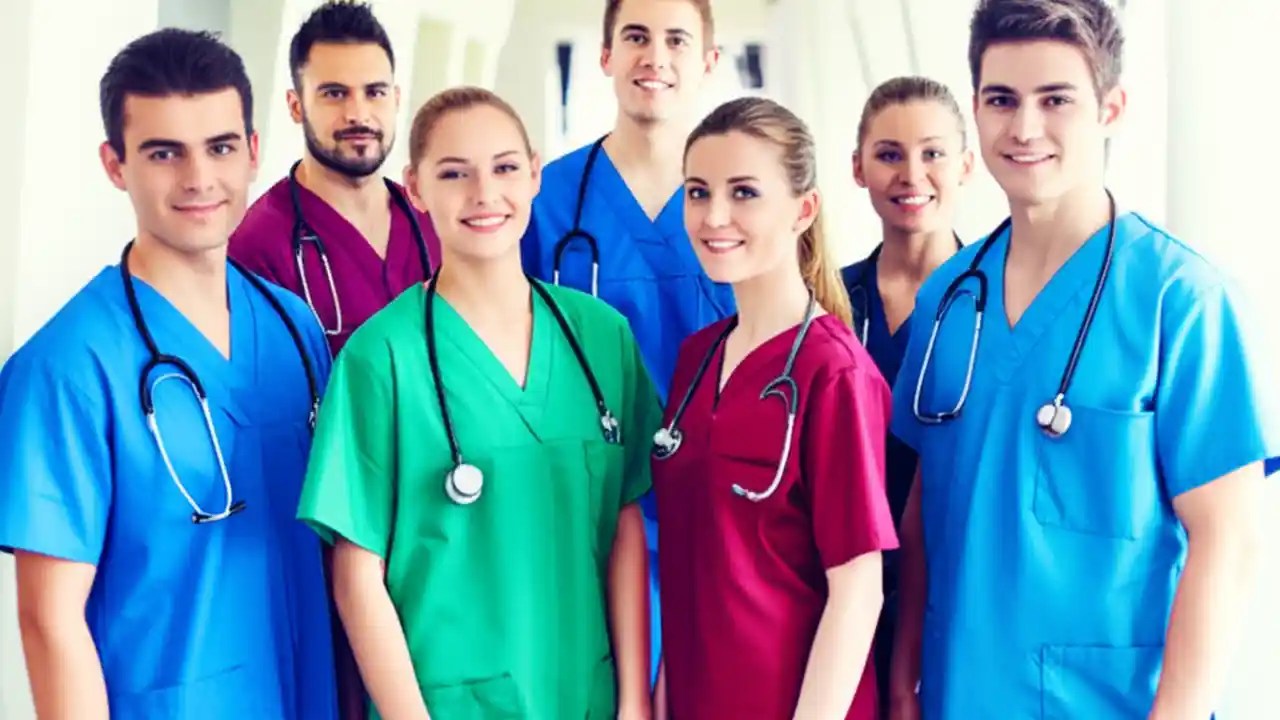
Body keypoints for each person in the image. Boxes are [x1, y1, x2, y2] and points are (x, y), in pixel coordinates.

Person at [888, 2, 1280, 719]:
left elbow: (1228, 539)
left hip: (1107, 704)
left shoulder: (1181, 301)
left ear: (1110, 108)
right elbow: (921, 505)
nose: (1024, 127)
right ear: (975, 108)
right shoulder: (948, 296)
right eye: (1001, 100)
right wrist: (902, 674)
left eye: (1055, 100)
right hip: (957, 691)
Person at [0, 29, 337, 719]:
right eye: (163, 153)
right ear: (115, 164)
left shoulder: (295, 329)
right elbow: (48, 621)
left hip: (308, 694)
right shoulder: (65, 367)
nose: (198, 179)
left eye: (218, 147)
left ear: (252, 152)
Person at [296, 86, 661, 720]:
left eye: (504, 167)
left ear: (536, 174)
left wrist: (633, 699)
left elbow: (626, 522)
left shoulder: (601, 338)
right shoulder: (380, 357)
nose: (484, 194)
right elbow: (357, 575)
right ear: (414, 188)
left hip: (585, 694)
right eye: (454, 174)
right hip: (444, 701)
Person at [652, 96, 898, 720]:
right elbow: (692, 559)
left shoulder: (833, 372)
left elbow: (857, 589)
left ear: (803, 209)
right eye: (698, 192)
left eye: (743, 193)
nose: (714, 216)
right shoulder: (697, 359)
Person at [521, 0, 733, 680]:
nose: (655, 56)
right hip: (585, 515)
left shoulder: (744, 203)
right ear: (606, 55)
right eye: (636, 36)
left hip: (718, 514)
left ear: (708, 62)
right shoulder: (545, 202)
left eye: (677, 39)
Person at [840, 74, 973, 716]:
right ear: (858, 167)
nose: (910, 173)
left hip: (954, 587)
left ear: (967, 165)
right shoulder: (828, 304)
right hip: (840, 588)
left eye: (933, 152)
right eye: (889, 154)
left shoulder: (998, 305)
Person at [229, 0, 441, 357]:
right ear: (296, 106)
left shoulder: (433, 219)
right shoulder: (259, 246)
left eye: (375, 92)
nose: (358, 114)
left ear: (396, 99)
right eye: (334, 94)